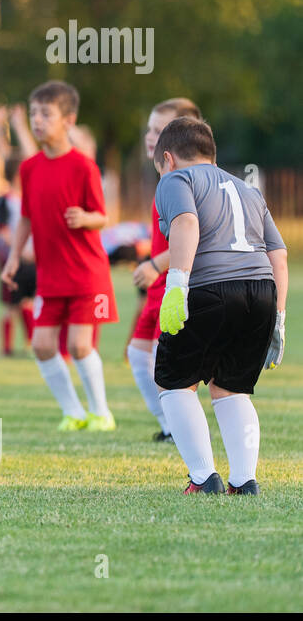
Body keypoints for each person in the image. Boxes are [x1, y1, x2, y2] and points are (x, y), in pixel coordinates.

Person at [152, 116, 287, 495]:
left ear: (168, 158)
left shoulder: (176, 179)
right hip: (262, 291)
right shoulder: (249, 189)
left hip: (211, 288)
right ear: (211, 154)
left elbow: (186, 222)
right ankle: (244, 482)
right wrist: (279, 317)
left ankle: (202, 477)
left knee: (174, 382)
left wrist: (177, 282)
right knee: (231, 387)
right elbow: (278, 254)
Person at [0, 81, 116, 431]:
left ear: (68, 120)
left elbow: (103, 215)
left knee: (80, 346)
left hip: (86, 273)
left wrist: (85, 218)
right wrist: (14, 256)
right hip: (50, 275)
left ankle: (101, 413)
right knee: (41, 345)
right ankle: (74, 413)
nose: (37, 120)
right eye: (33, 113)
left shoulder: (84, 167)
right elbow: (26, 217)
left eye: (45, 114)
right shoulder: (29, 168)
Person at [127, 97, 202, 443]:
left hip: (173, 283)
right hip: (156, 287)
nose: (149, 136)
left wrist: (156, 264)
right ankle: (170, 425)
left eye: (158, 130)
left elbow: (191, 237)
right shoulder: (164, 180)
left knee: (167, 367)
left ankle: (183, 428)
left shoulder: (185, 183)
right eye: (149, 128)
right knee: (136, 352)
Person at [0, 156, 36, 356]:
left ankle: (31, 342)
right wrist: (19, 250)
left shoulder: (32, 196)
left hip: (32, 259)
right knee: (11, 305)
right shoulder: (5, 200)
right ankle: (6, 347)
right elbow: (2, 232)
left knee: (29, 301)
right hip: (13, 259)